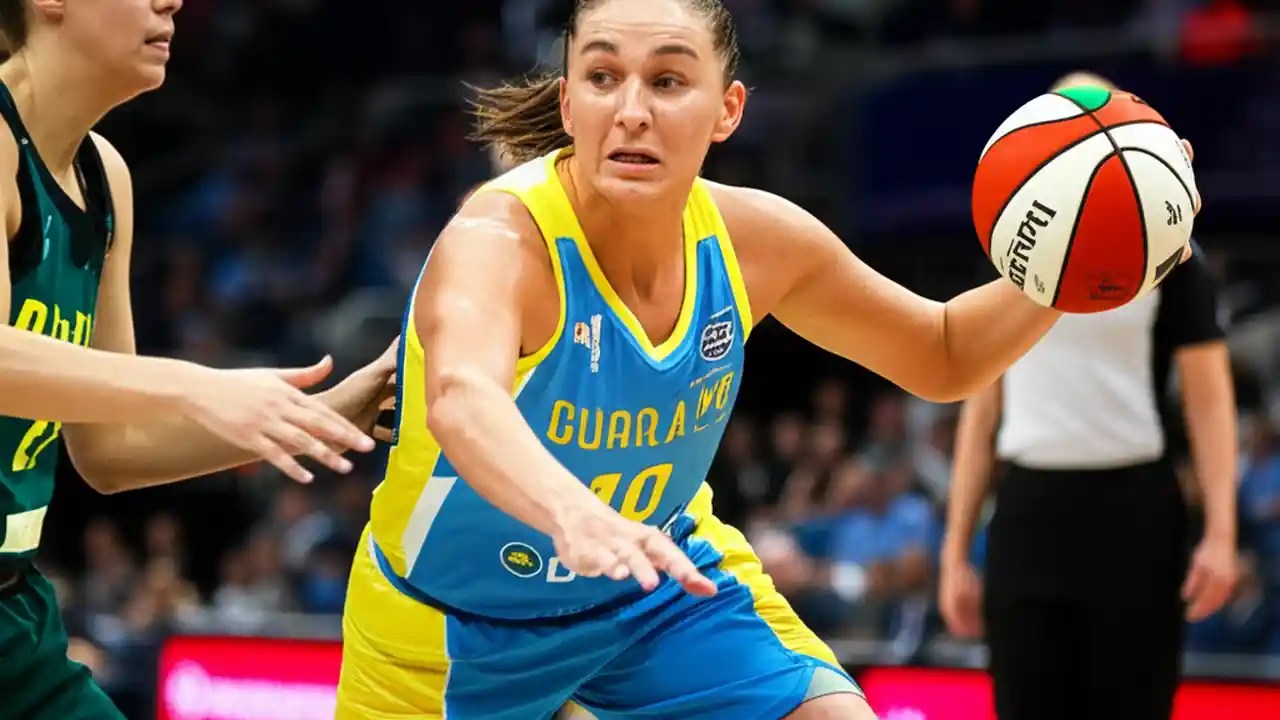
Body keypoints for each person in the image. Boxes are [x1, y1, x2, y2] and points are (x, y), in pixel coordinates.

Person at [335, 6, 1194, 720]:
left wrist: (1084, 254)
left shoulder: (756, 242)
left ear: (728, 109)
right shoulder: (498, 239)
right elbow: (459, 395)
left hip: (657, 590)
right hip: (446, 630)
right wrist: (572, 511)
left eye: (668, 80)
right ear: (567, 105)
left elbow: (941, 354)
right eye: (602, 78)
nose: (632, 107)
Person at [0, 1, 397, 718]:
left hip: (14, 620)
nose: (172, 1)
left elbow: (112, 448)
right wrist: (191, 385)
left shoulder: (103, 177)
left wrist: (327, 413)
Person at [938, 71, 1238, 720]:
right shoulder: (1012, 246)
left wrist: (1221, 532)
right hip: (1027, 508)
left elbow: (1209, 400)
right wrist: (955, 549)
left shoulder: (1175, 253)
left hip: (1136, 507)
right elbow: (979, 406)